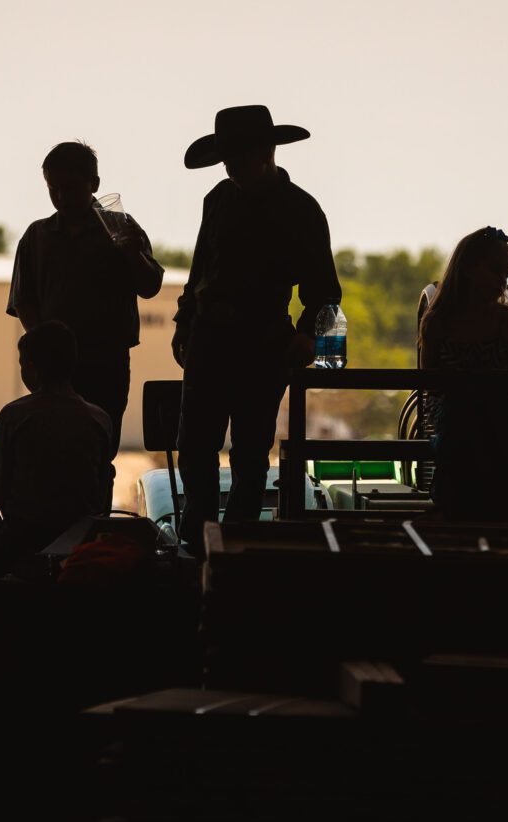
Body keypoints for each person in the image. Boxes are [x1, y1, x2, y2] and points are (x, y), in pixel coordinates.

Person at [172, 105, 340, 555]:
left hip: (260, 342)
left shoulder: (300, 209)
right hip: (220, 338)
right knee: (197, 445)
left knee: (247, 450)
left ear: (265, 151)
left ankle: (229, 537)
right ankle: (205, 534)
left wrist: (306, 336)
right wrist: (186, 320)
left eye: (235, 157)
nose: (229, 167)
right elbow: (199, 271)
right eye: (227, 158)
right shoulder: (221, 200)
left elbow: (325, 291)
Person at [8, 141, 165, 473]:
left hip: (106, 364)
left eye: (69, 187)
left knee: (98, 456)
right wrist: (47, 352)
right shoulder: (37, 236)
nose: (61, 197)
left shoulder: (121, 228)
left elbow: (150, 287)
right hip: (53, 371)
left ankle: (92, 521)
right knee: (51, 457)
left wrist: (132, 253)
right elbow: (24, 301)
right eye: (54, 188)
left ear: (94, 184)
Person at [419, 227, 508, 521]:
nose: (502, 282)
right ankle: (496, 504)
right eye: (496, 272)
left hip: (477, 415)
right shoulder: (507, 322)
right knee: (472, 416)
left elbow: (430, 378)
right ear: (468, 270)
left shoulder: (439, 322)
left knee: (470, 416)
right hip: (481, 415)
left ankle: (456, 504)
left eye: (506, 274)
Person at [0, 321, 113, 561]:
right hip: (80, 548)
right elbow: (102, 492)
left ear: (31, 368)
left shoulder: (15, 416)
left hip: (22, 547)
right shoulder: (99, 419)